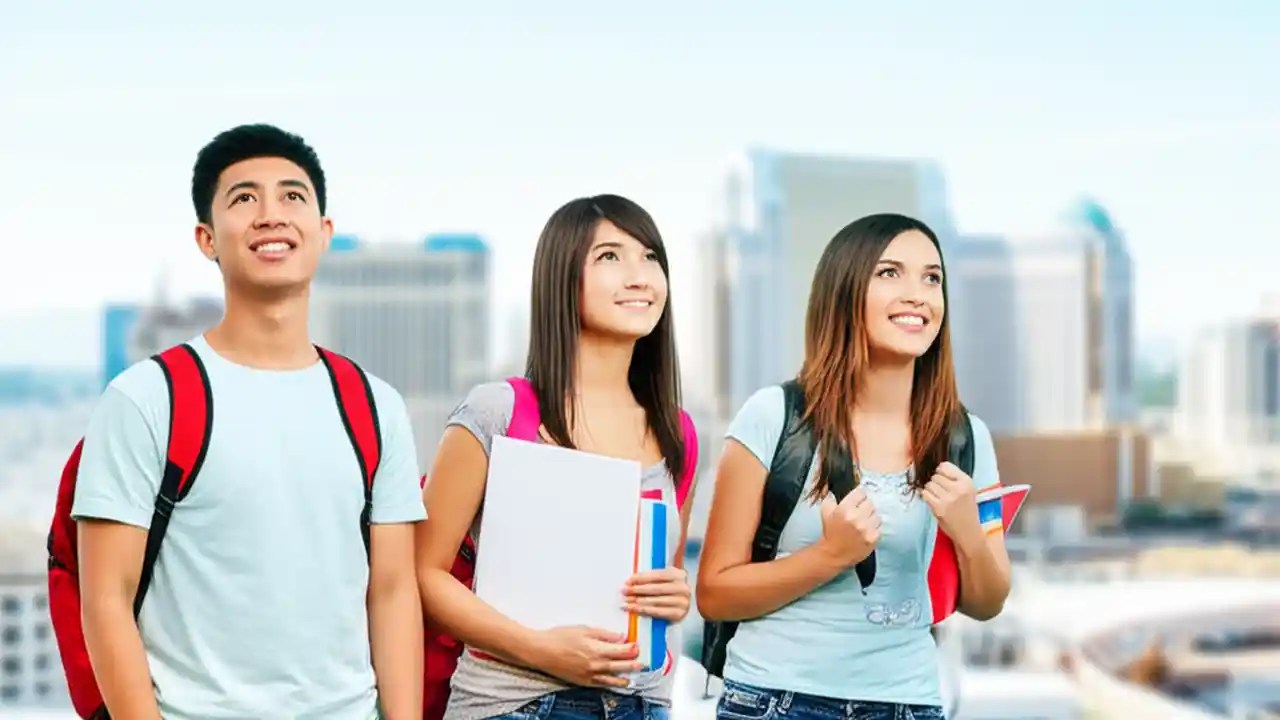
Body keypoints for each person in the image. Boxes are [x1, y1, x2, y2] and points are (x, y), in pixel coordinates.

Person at [72, 123, 426, 719]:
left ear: (324, 232)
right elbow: (106, 598)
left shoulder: (374, 404)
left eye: (293, 197)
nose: (271, 215)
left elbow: (391, 592)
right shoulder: (146, 398)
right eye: (244, 199)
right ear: (207, 239)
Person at [695, 213, 1012, 720]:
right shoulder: (774, 416)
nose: (918, 293)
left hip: (909, 703)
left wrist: (969, 534)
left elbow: (986, 602)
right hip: (776, 701)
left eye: (932, 278)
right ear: (843, 292)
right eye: (890, 273)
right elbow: (713, 593)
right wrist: (828, 555)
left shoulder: (965, 437)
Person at [418, 194, 698, 720]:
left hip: (642, 704)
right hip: (515, 704)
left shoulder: (677, 432)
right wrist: (540, 649)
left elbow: (663, 581)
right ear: (562, 279)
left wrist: (676, 598)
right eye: (610, 257)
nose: (640, 276)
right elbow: (423, 573)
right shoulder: (498, 411)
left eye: (651, 257)